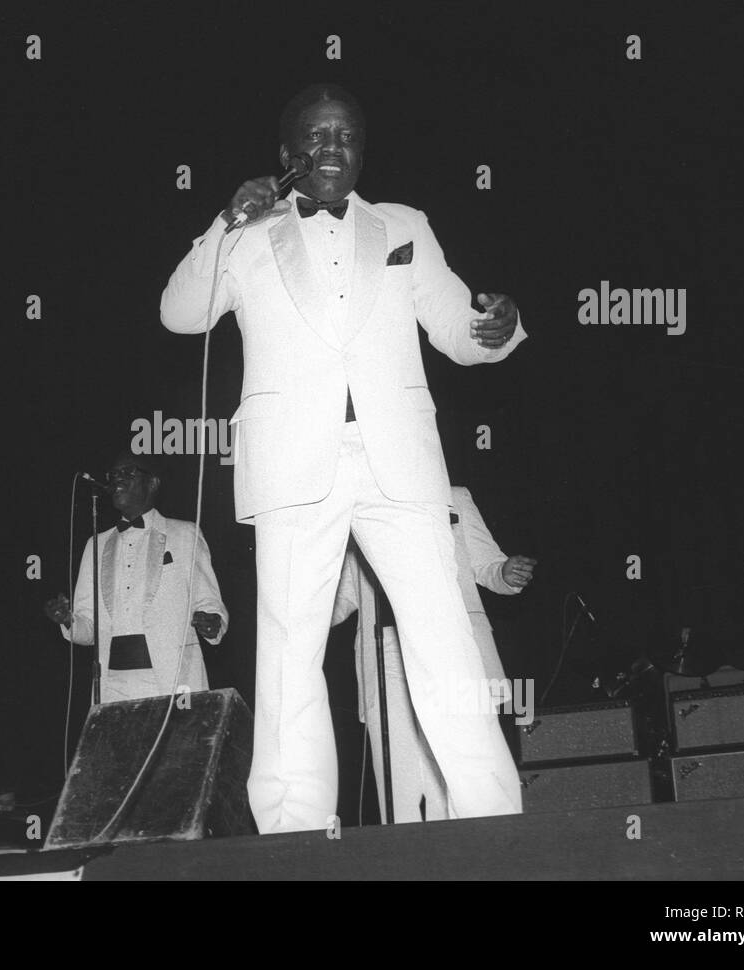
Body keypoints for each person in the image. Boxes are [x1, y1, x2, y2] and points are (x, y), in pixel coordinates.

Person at [161, 83, 528, 833]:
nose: (333, 149)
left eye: (348, 138)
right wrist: (226, 219)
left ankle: (493, 818)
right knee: (290, 651)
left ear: (364, 150)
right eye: (317, 137)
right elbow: (178, 313)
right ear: (287, 154)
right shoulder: (250, 235)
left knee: (445, 640)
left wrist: (498, 327)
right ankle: (294, 828)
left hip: (400, 461)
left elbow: (459, 328)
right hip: (294, 466)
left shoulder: (404, 225)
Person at [331, 486, 538, 822]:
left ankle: (469, 856)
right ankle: (406, 860)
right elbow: (343, 596)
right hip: (386, 650)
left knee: (458, 765)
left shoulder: (453, 496)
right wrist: (305, 606)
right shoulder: (355, 506)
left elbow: (488, 565)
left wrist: (504, 571)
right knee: (399, 779)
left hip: (449, 641)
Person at [44, 452, 228, 701]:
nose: (117, 479)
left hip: (173, 679)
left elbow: (210, 603)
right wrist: (67, 620)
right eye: (114, 475)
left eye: (128, 472)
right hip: (114, 685)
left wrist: (212, 622)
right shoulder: (95, 545)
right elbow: (88, 629)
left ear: (152, 483)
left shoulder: (184, 534)